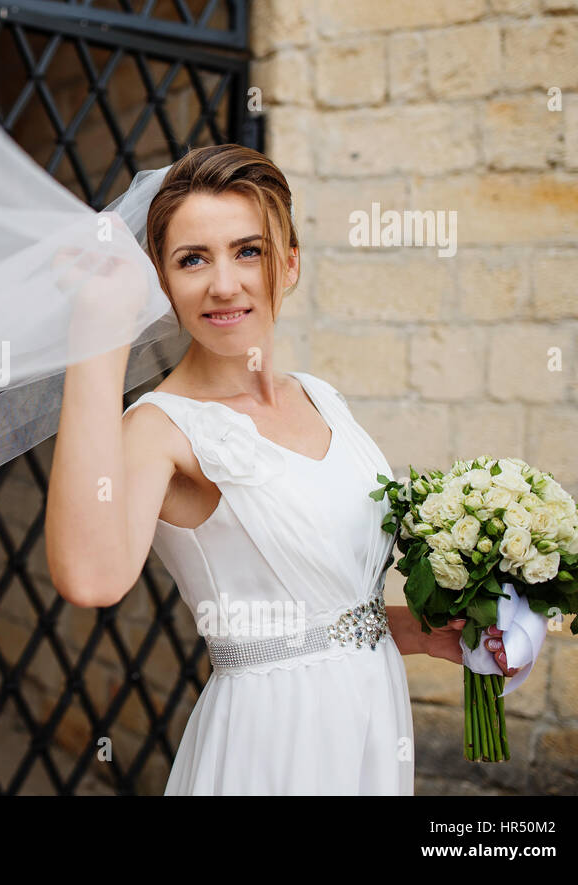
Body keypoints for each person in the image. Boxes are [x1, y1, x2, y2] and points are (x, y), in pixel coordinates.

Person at [44, 144, 518, 794]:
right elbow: (90, 576)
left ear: (288, 263)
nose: (224, 283)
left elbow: (321, 605)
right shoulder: (161, 428)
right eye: (191, 259)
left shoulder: (322, 397)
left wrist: (415, 628)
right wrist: (97, 336)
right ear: (161, 281)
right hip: (271, 745)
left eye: (248, 250)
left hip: (371, 723)